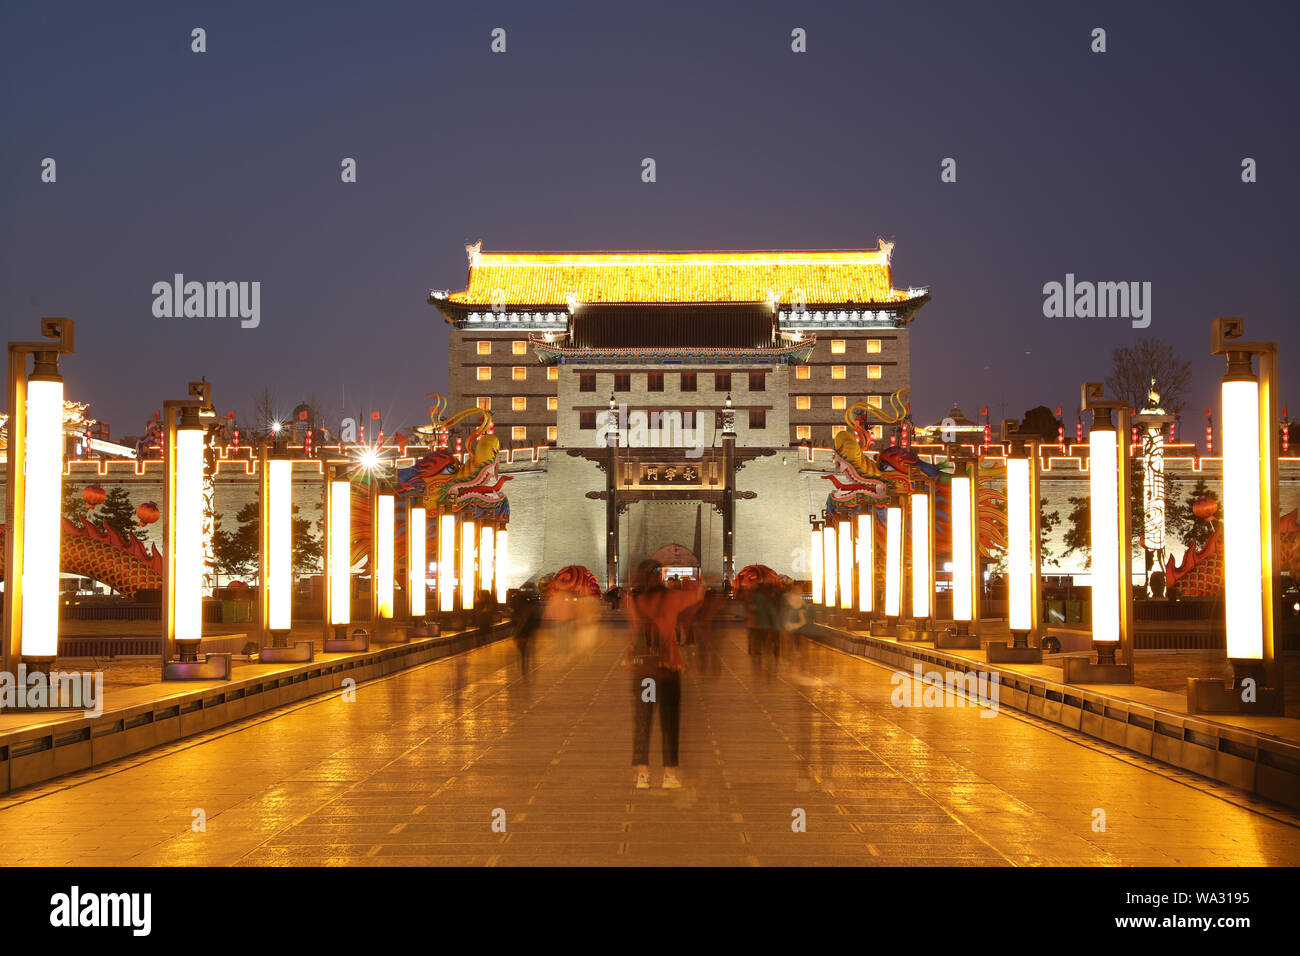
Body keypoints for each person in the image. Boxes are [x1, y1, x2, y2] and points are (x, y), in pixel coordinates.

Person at [623, 560, 702, 789]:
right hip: (667, 668)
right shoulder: (671, 598)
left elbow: (634, 627)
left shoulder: (634, 600)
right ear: (659, 576)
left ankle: (642, 774)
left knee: (642, 720)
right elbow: (696, 595)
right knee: (669, 722)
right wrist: (688, 582)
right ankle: (669, 774)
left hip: (643, 670)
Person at [508, 582, 541, 677]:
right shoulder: (529, 601)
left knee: (522, 648)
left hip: (520, 628)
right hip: (527, 628)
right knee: (526, 648)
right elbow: (533, 616)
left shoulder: (515, 600)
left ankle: (523, 663)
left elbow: (512, 614)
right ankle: (524, 663)